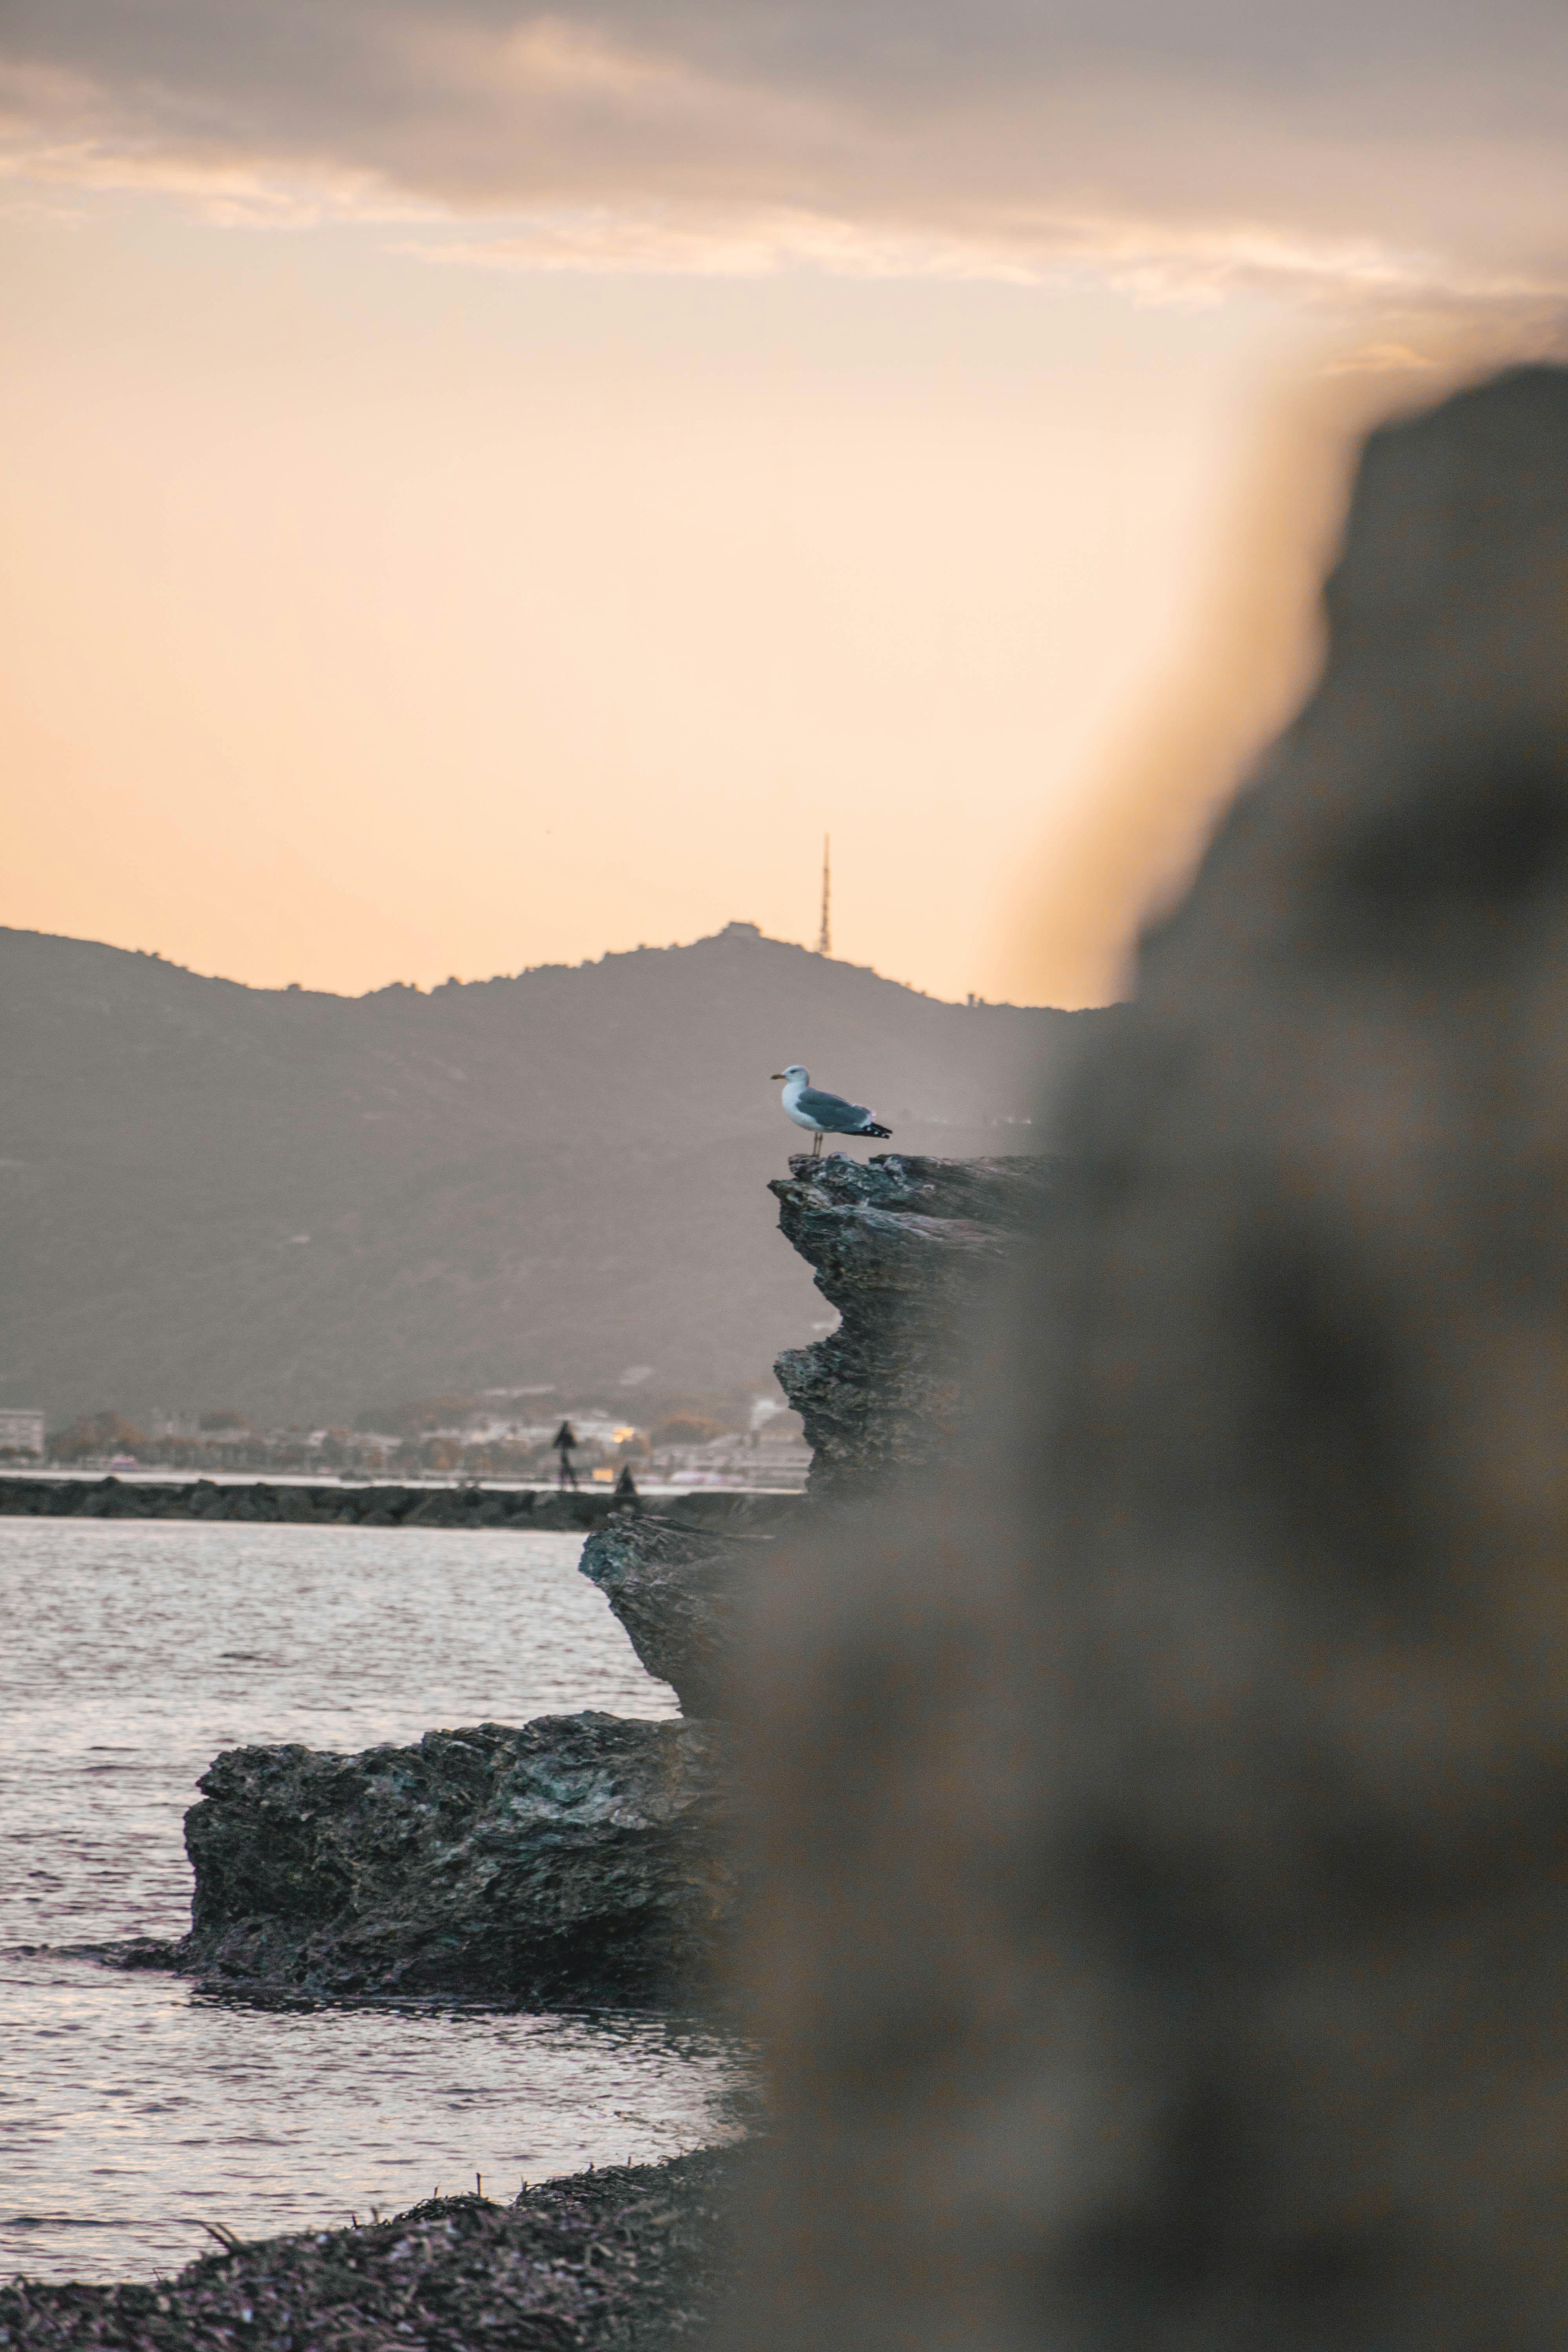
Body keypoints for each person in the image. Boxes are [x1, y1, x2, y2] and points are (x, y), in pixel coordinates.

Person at [552, 1420, 579, 1490]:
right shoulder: (568, 1435)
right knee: (568, 1471)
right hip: (567, 1456)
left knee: (565, 1471)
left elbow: (555, 1445)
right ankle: (573, 1486)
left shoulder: (563, 1435)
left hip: (565, 1455)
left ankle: (564, 1486)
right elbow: (574, 1445)